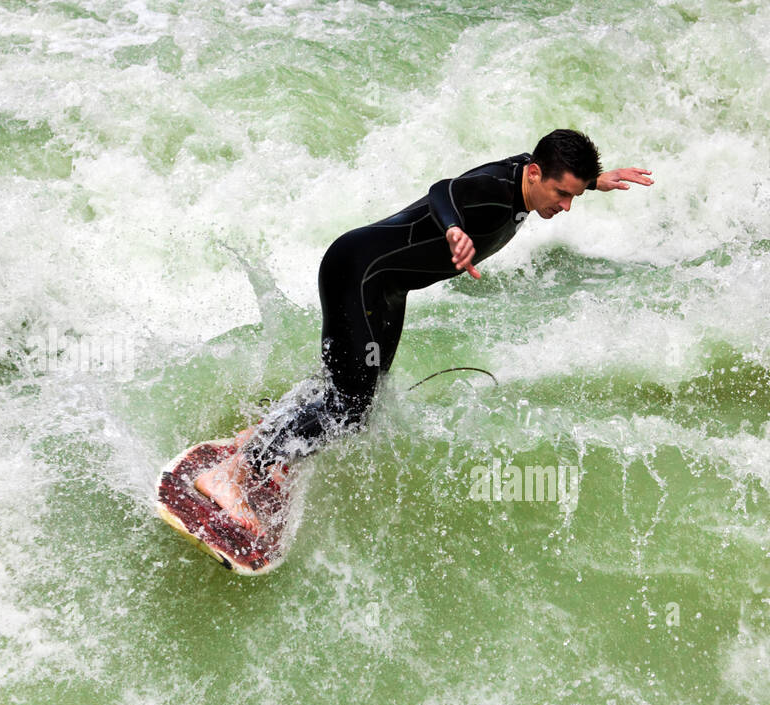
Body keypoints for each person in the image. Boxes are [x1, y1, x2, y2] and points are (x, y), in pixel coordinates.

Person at [195, 128, 653, 533]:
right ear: (534, 173)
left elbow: (542, 177)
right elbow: (443, 190)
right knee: (350, 409)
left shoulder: (525, 178)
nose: (567, 206)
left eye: (576, 195)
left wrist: (596, 180)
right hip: (357, 272)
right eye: (563, 193)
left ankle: (263, 435)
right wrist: (454, 229)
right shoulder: (494, 191)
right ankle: (236, 472)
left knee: (359, 394)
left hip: (389, 289)